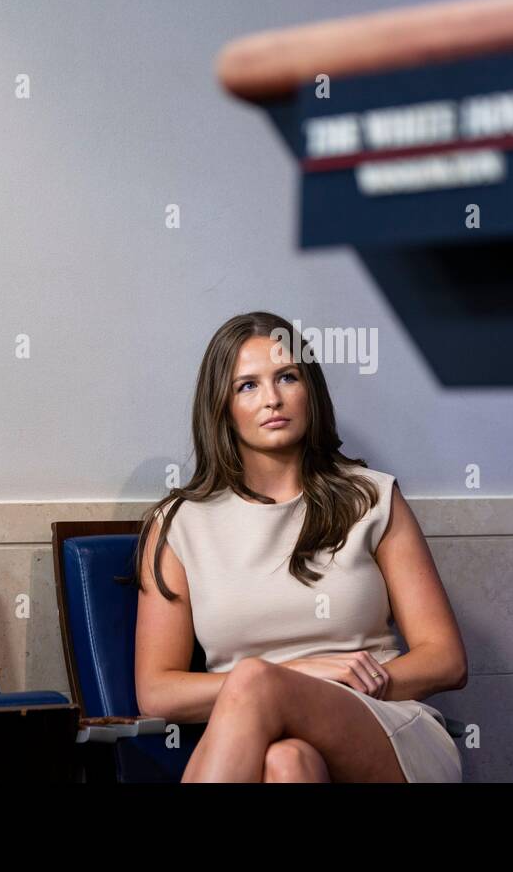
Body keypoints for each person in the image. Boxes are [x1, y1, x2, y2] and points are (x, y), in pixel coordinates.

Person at [131, 311, 467, 782]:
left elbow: (447, 660)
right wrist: (299, 675)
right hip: (257, 739)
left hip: (381, 724)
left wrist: (344, 681)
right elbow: (157, 691)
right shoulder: (178, 524)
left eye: (286, 377)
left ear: (310, 389)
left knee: (254, 678)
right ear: (221, 407)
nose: (271, 399)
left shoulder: (372, 497)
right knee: (286, 764)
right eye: (247, 385)